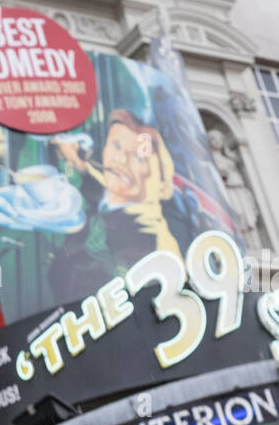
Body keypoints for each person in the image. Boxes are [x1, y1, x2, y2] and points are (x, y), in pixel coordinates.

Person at [48, 110, 192, 301]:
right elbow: (103, 184)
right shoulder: (117, 200)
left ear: (162, 185)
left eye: (138, 157)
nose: (120, 161)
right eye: (116, 146)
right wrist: (78, 163)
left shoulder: (146, 235)